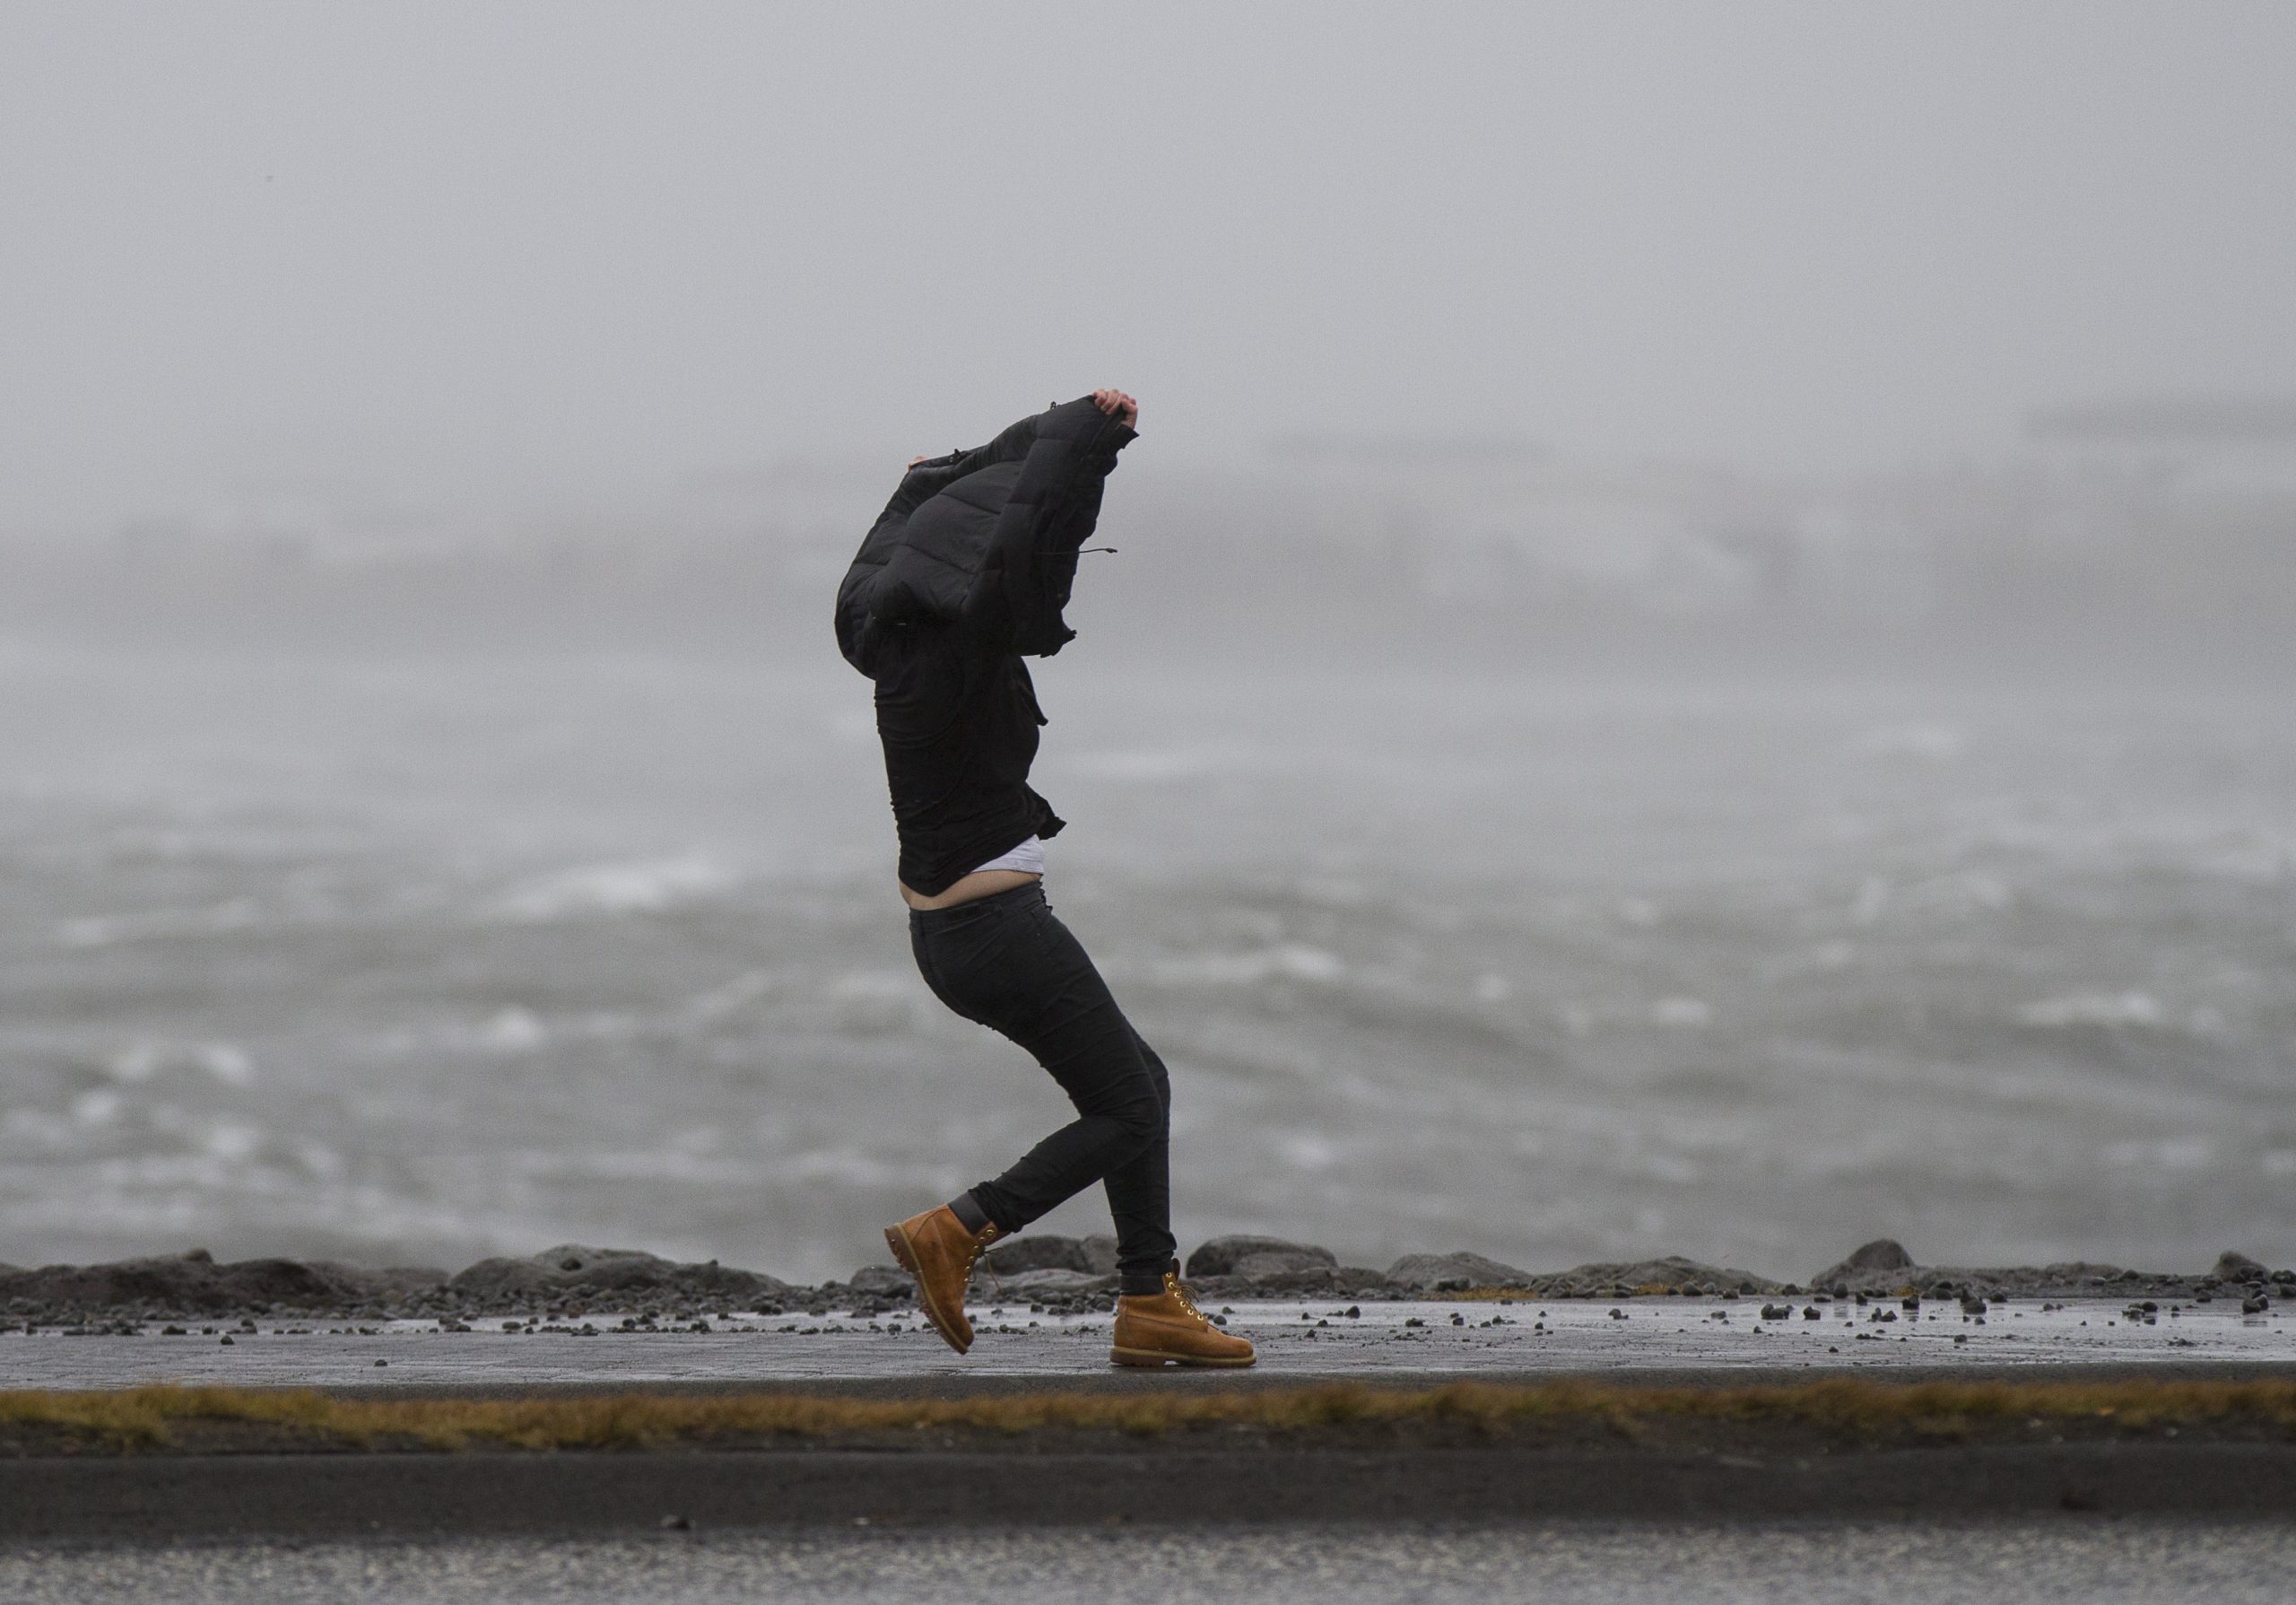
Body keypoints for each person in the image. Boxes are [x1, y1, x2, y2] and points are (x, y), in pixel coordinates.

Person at [834, 388, 1253, 1368]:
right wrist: (1092, 438)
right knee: (1131, 1104)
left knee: (1137, 1082)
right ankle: (959, 1228)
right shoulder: (962, 649)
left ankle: (1150, 1300)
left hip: (956, 935)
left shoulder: (887, 641)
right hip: (995, 931)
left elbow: (905, 539)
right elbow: (1033, 544)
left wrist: (938, 478)